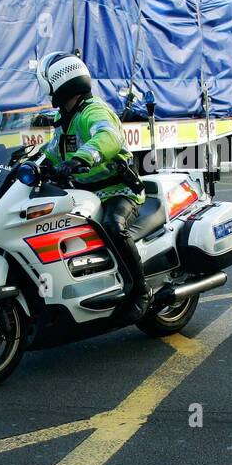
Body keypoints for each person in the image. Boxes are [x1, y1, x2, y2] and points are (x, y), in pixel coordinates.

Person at [35, 50, 150, 321]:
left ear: (58, 82)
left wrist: (81, 159)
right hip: (87, 193)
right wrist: (28, 165)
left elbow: (107, 137)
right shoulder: (66, 118)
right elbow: (51, 151)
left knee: (113, 225)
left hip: (118, 190)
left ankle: (140, 291)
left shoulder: (93, 111)